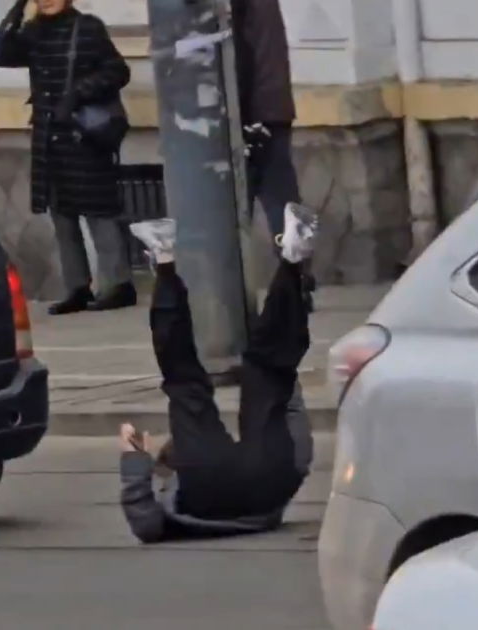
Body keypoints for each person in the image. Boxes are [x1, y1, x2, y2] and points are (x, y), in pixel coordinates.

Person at [118, 205, 318, 543]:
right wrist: (134, 459)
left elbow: (299, 455)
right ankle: (164, 257)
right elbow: (144, 523)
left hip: (266, 481)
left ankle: (292, 260)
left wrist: (285, 388)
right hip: (208, 482)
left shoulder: (262, 505)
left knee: (268, 369)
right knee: (184, 381)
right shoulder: (184, 485)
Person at [0, 0, 137, 314]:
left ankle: (118, 285)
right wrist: (17, 10)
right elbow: (0, 55)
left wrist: (79, 92)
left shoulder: (88, 27)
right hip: (49, 136)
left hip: (84, 135)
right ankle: (77, 287)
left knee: (100, 210)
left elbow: (118, 70)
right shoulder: (33, 32)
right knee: (62, 214)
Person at [233, 0, 315, 308]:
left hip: (254, 113)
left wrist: (243, 114)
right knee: (282, 200)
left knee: (256, 201)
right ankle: (298, 275)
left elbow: (241, 58)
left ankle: (293, 278)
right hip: (271, 109)